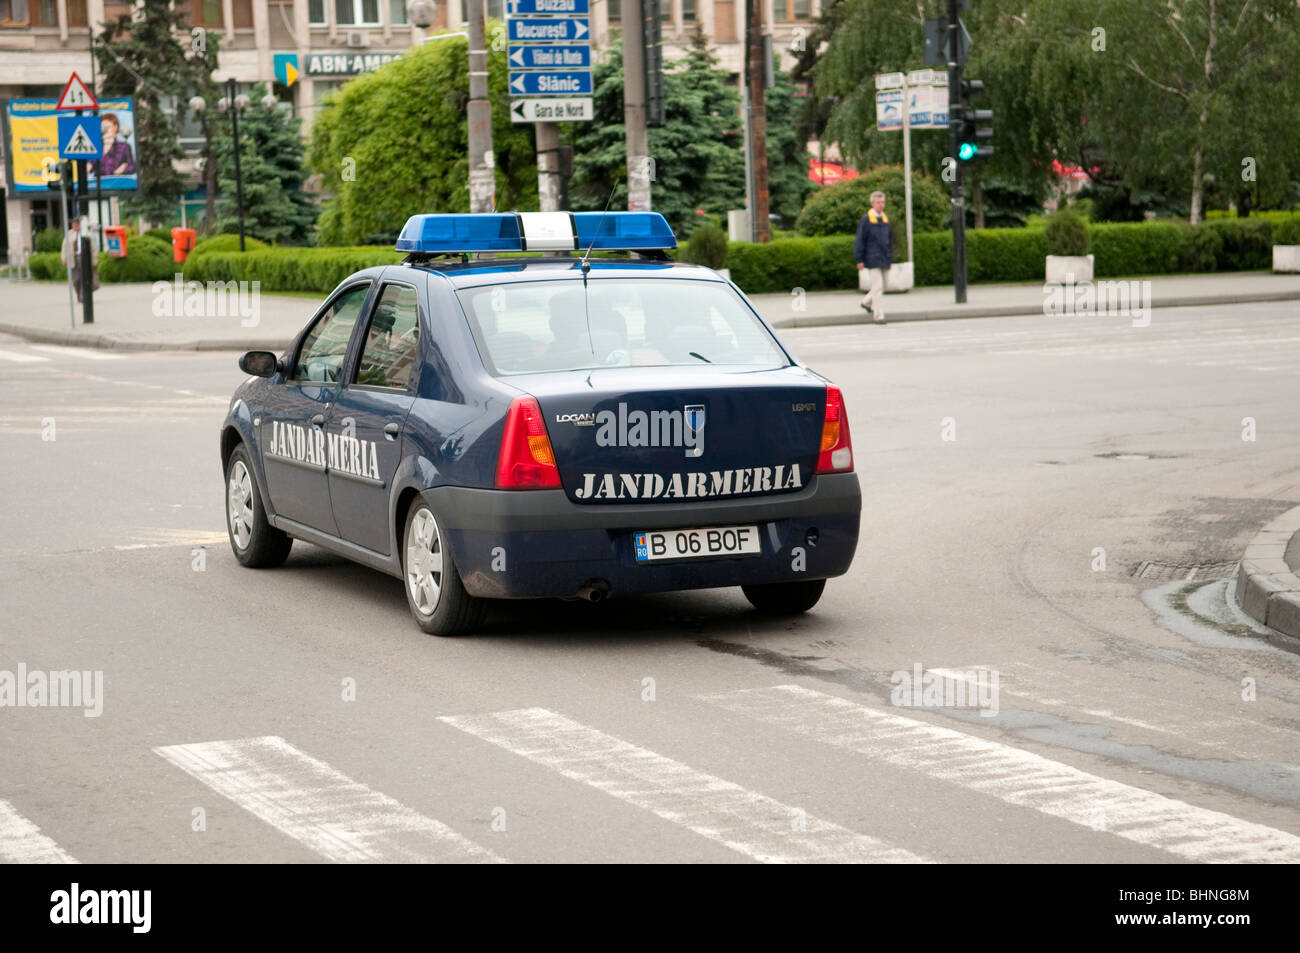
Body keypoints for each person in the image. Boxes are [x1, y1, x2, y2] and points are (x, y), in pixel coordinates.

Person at [854, 190, 893, 325]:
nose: (881, 205)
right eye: (878, 202)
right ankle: (878, 315)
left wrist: (890, 257)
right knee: (877, 287)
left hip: (885, 258)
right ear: (872, 203)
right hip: (872, 258)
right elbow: (860, 240)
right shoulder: (866, 220)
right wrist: (859, 259)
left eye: (882, 202)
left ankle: (865, 302)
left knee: (884, 286)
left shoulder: (885, 219)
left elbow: (890, 240)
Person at [60, 216, 99, 303]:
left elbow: (93, 249)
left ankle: (83, 296)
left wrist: (95, 260)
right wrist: (63, 258)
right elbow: (64, 248)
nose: (75, 226)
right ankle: (78, 293)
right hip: (73, 258)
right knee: (76, 279)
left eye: (77, 224)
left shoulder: (86, 234)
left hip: (83, 257)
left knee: (83, 277)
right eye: (73, 224)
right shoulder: (69, 234)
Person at [95, 113, 135, 178]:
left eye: (108, 127)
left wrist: (123, 168)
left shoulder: (124, 147)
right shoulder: (95, 147)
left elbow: (131, 167)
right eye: (102, 128)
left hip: (118, 185)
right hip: (97, 186)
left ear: (115, 127)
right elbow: (89, 165)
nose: (105, 131)